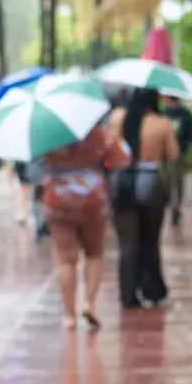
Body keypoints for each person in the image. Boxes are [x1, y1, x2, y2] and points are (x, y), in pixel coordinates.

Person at [41, 119, 132, 330]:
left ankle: (69, 315)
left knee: (65, 260)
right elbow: (123, 159)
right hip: (91, 195)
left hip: (58, 195)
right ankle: (90, 304)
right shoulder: (97, 133)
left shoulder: (46, 133)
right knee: (94, 253)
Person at [110, 89, 179, 308]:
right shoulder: (162, 124)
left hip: (122, 184)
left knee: (127, 244)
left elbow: (109, 149)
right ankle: (152, 289)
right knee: (150, 240)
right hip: (150, 184)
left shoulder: (117, 118)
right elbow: (173, 155)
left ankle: (127, 295)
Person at [161, 94, 192, 225]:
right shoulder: (164, 113)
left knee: (176, 183)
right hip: (165, 155)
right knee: (167, 183)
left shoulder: (184, 114)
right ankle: (171, 206)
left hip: (178, 154)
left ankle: (175, 208)